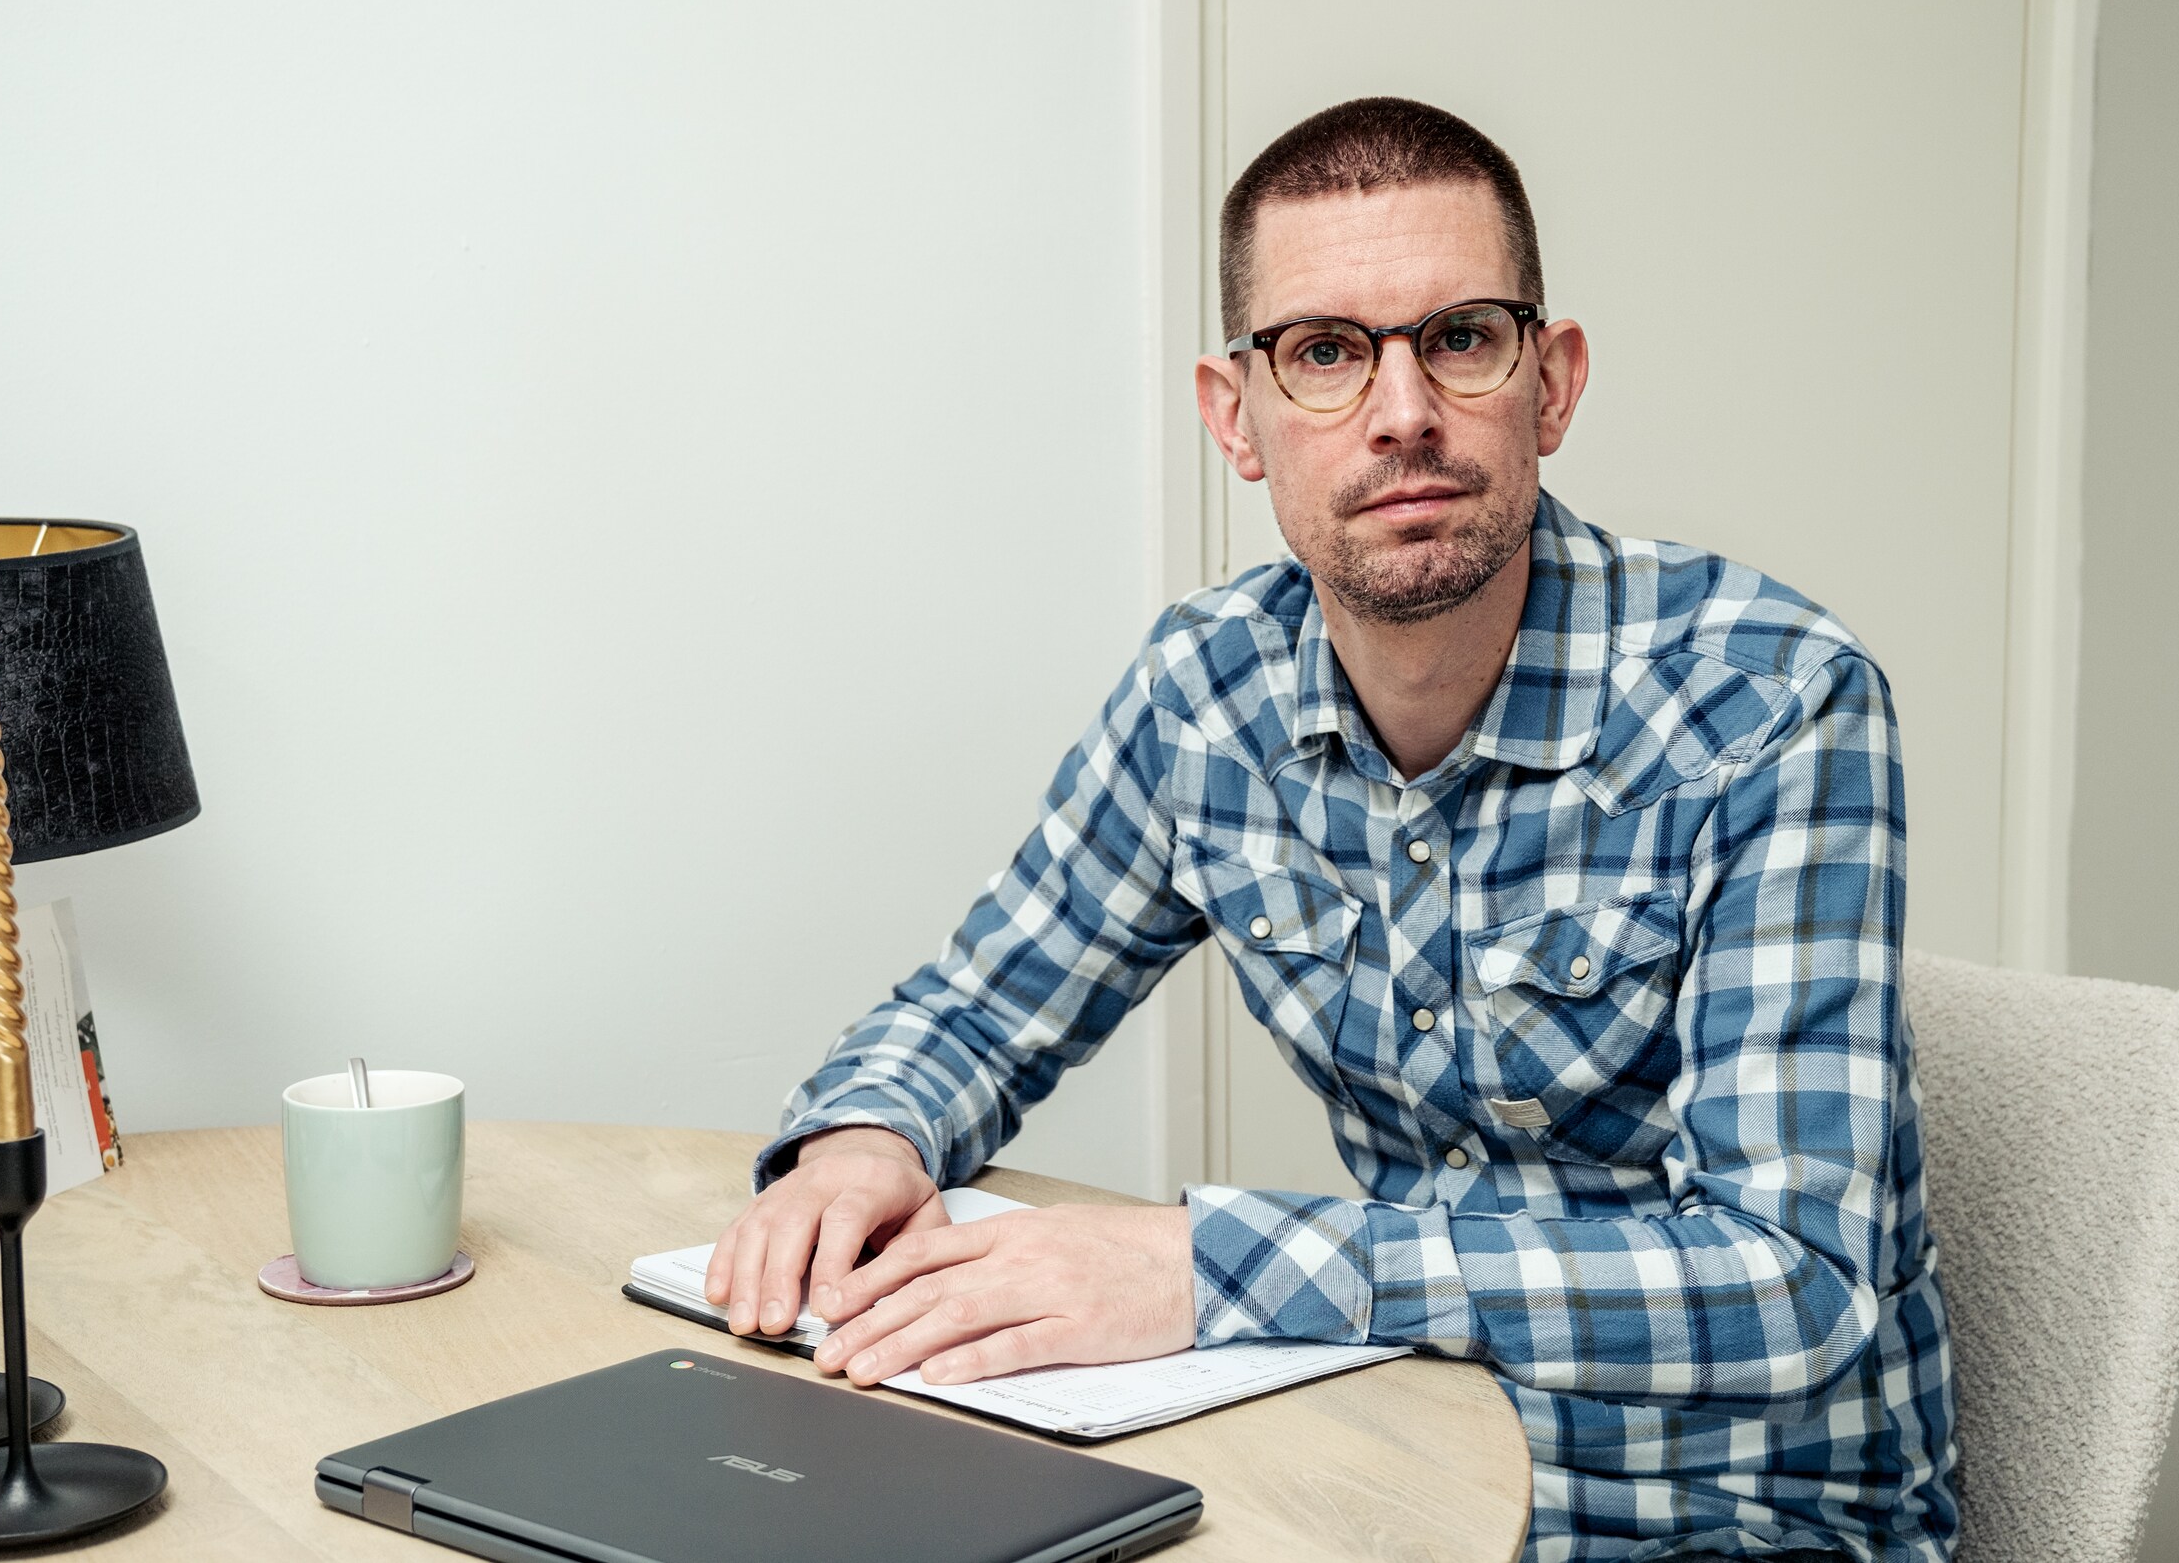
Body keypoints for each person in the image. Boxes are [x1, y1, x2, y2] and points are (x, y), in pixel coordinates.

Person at [703, 96, 1956, 1562]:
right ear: (1235, 417)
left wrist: (1205, 1263)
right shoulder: (1204, 694)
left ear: (1551, 384)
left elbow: (1790, 1280)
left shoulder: (1772, 703)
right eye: (1325, 353)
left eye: (1462, 339)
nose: (1403, 411)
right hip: (1388, 1463)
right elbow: (978, 1010)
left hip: (1746, 1512)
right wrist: (860, 1142)